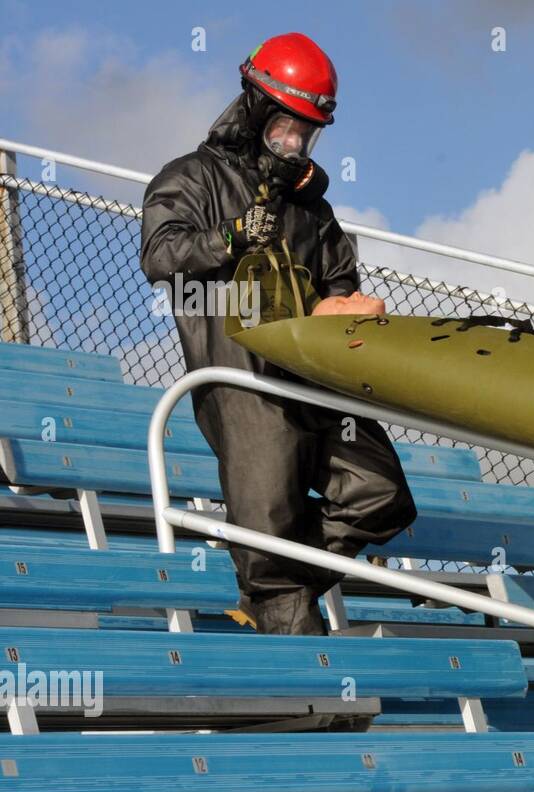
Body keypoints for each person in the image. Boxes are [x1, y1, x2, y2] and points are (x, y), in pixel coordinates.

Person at [140, 33, 416, 635]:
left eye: (306, 133)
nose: (295, 144)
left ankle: (273, 583)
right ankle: (281, 612)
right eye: (285, 128)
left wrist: (346, 305)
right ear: (256, 109)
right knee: (268, 540)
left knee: (381, 493)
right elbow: (161, 257)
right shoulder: (191, 176)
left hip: (315, 379)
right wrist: (232, 238)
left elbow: (340, 276)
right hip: (243, 385)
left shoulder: (311, 204)